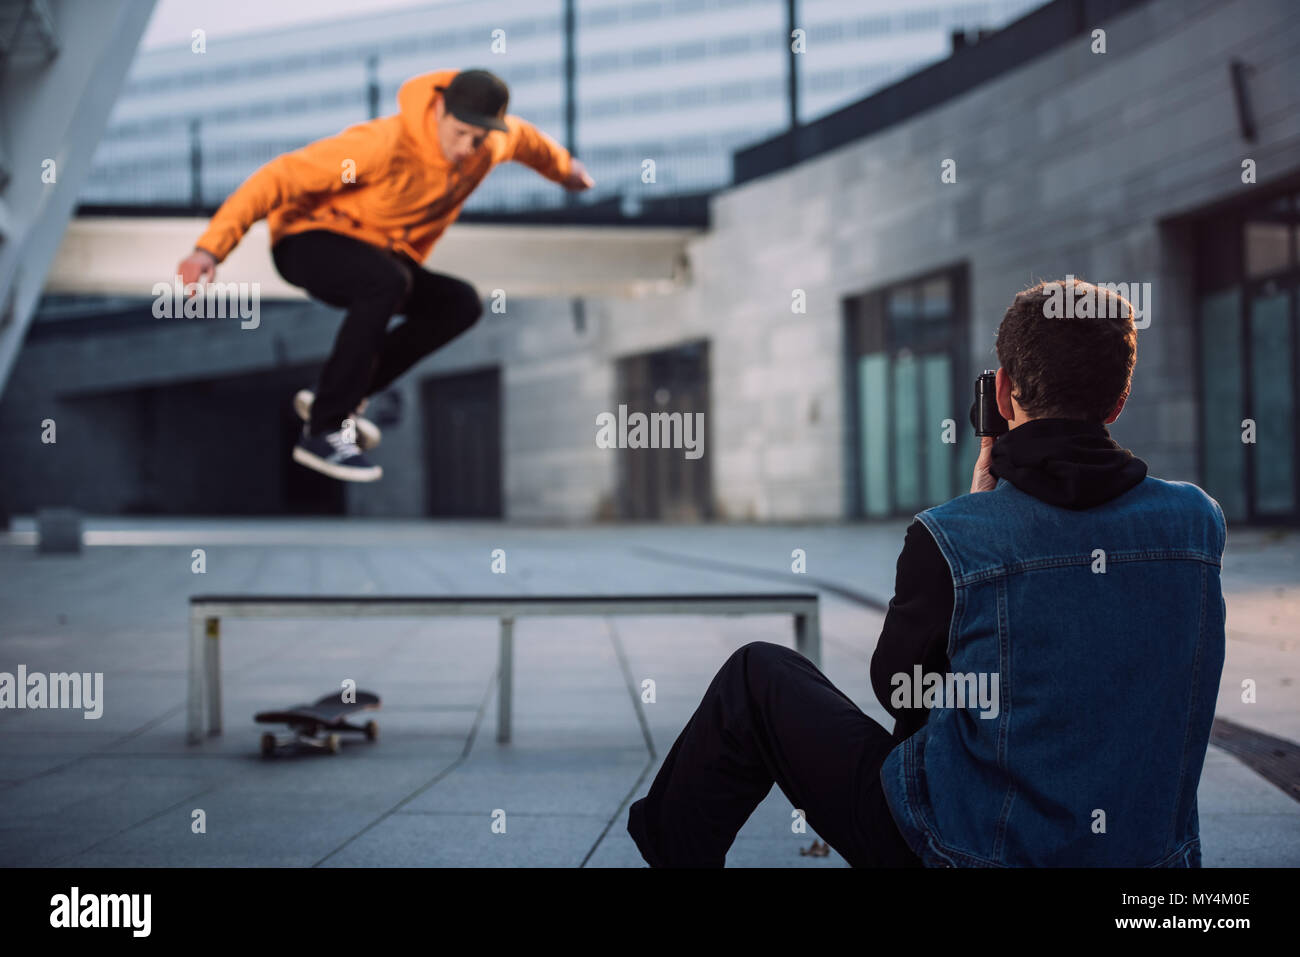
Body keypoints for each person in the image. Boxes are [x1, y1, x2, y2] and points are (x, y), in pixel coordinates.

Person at [627, 278, 1227, 867]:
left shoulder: (954, 536)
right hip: (1155, 867)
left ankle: (672, 853)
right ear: (1118, 401)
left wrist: (979, 515)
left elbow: (903, 695)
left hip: (963, 853)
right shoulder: (1198, 522)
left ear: (1003, 391)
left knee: (757, 673)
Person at [176, 68, 594, 482]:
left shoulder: (494, 143)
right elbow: (276, 179)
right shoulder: (383, 145)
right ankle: (324, 430)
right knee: (387, 281)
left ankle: (341, 396)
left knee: (459, 304)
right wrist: (210, 249)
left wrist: (566, 170)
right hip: (309, 240)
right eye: (459, 133)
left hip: (383, 253)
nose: (467, 148)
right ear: (439, 112)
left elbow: (532, 145)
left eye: (478, 138)